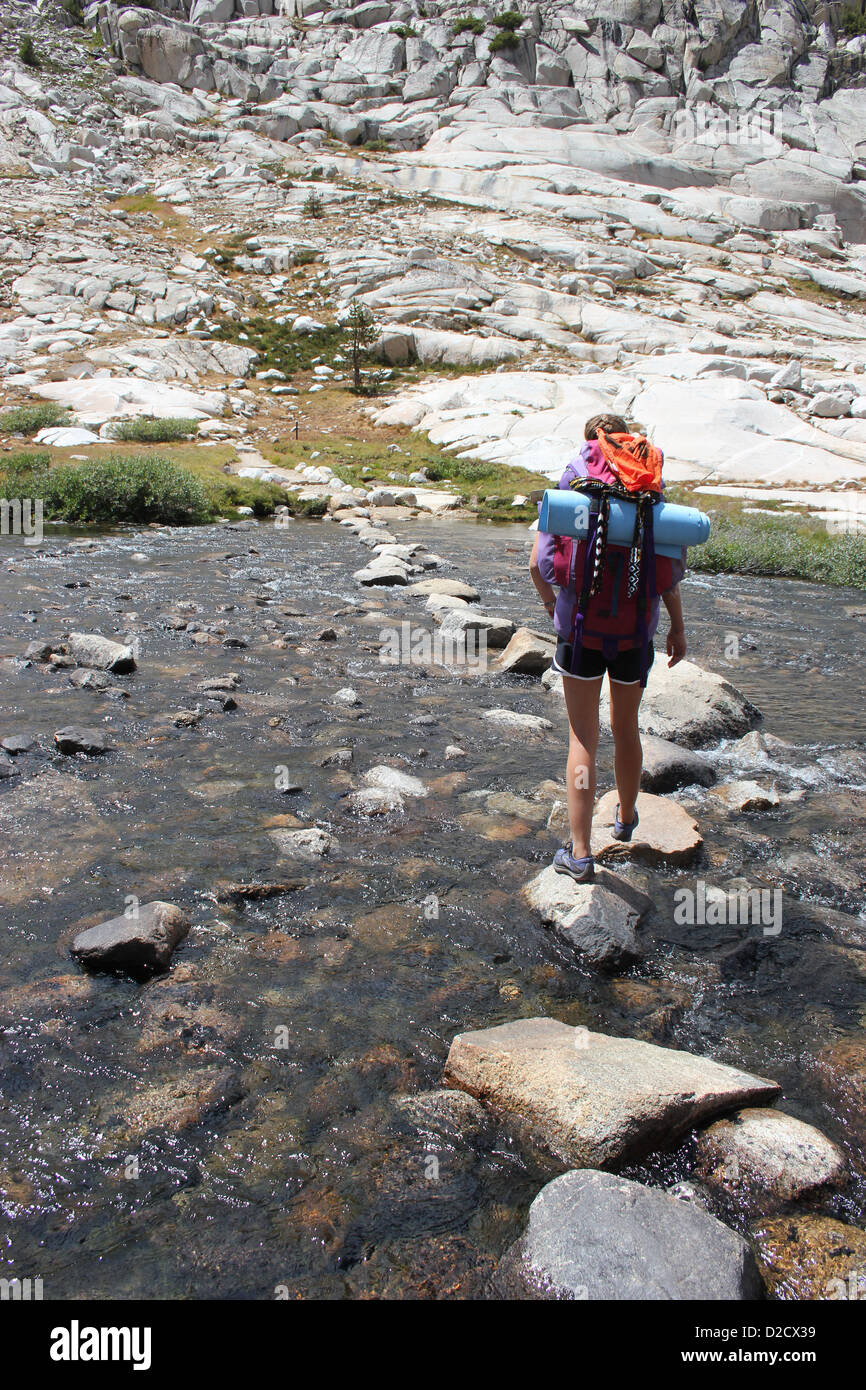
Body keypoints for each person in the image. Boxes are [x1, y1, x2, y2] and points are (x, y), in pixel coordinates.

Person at [529, 413, 687, 884]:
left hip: (580, 631)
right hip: (635, 632)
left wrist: (551, 605)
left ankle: (580, 853)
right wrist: (677, 629)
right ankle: (626, 817)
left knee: (582, 738)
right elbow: (669, 574)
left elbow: (540, 562)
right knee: (626, 728)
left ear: (591, 443)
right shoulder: (647, 489)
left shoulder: (575, 483)